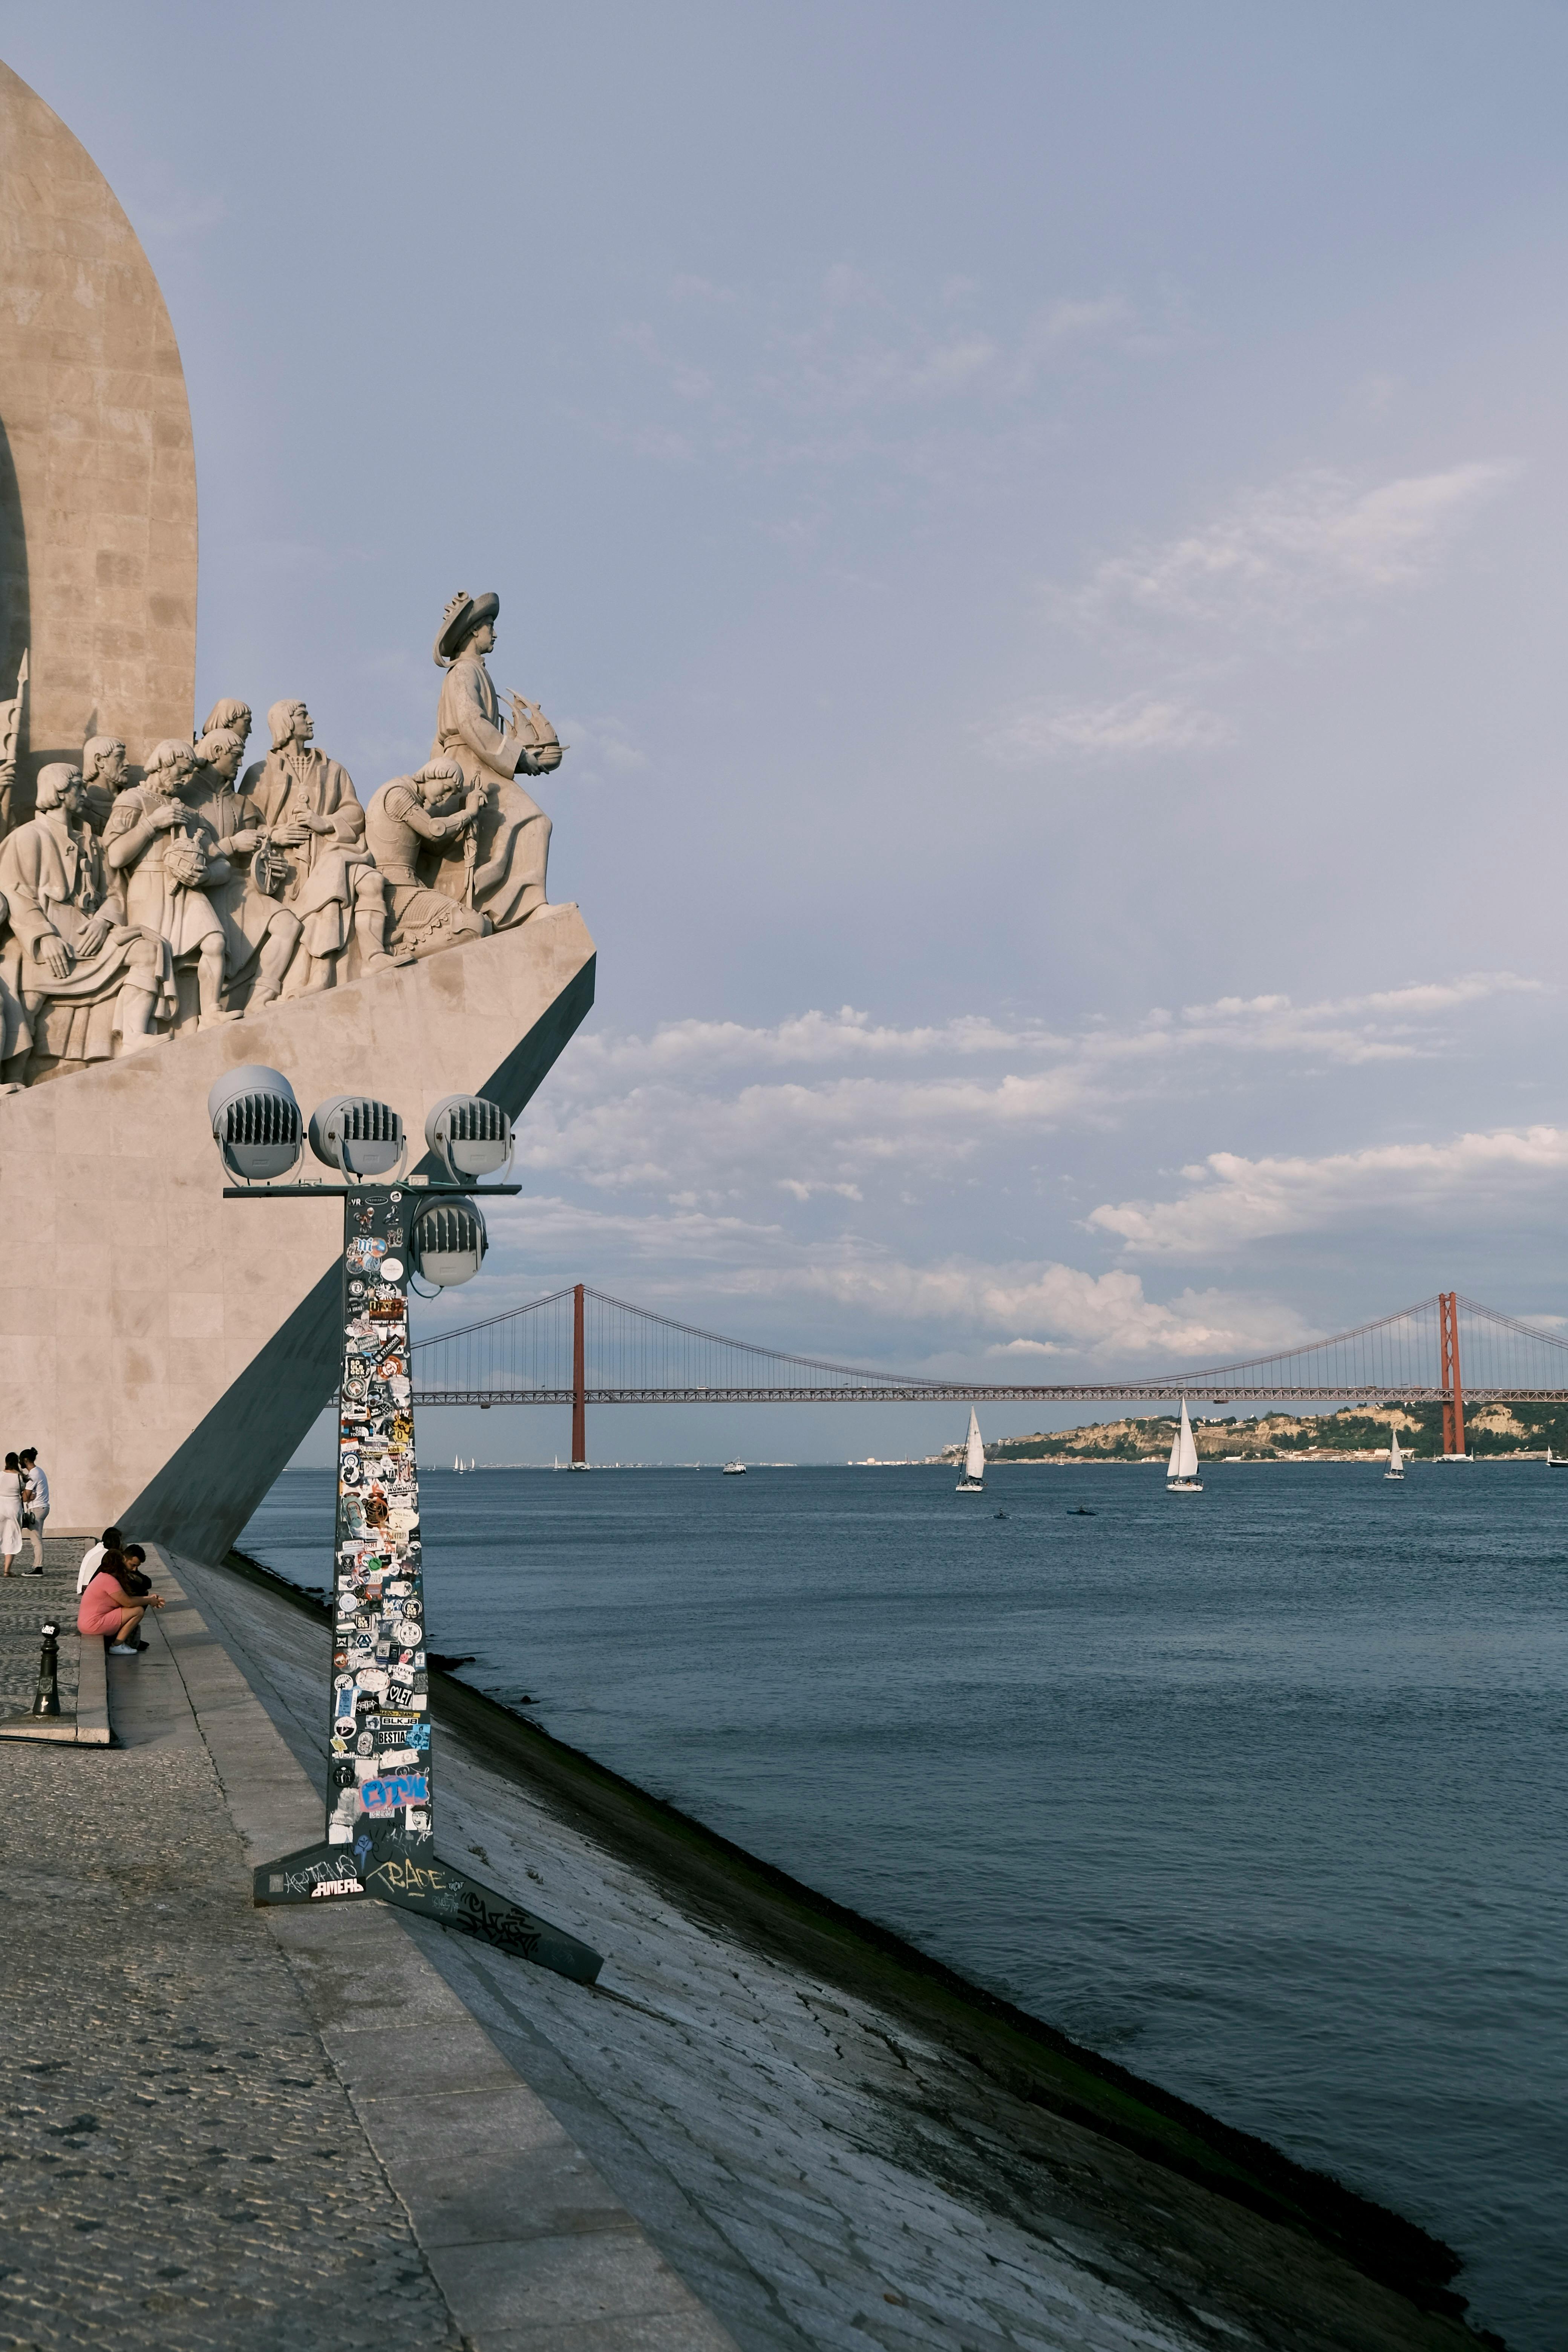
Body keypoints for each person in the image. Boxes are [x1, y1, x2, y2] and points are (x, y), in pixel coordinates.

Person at [428, 591, 564, 927]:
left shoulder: (475, 672)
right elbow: (471, 723)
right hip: (469, 764)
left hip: (478, 760)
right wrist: (519, 759)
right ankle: (530, 909)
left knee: (518, 829)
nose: (495, 634)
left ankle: (505, 904)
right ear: (475, 631)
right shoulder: (463, 672)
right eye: (490, 626)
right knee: (534, 821)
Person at [362, 760, 490, 957]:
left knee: (481, 925)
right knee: (472, 924)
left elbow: (435, 847)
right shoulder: (398, 794)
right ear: (433, 775)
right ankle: (399, 951)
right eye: (447, 788)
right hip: (396, 892)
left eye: (452, 794)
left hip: (410, 888)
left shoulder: (413, 801)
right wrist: (468, 813)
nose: (445, 798)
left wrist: (468, 819)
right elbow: (435, 831)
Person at [77, 1547, 163, 1655]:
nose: (134, 1569)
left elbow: (141, 1587)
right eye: (132, 1565)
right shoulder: (109, 1580)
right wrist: (149, 1601)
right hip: (93, 1624)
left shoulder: (104, 1576)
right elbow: (128, 1602)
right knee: (138, 1611)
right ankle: (117, 1645)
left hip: (88, 1623)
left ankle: (125, 1640)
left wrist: (150, 1599)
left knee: (139, 1600)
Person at [18, 1447, 47, 1571]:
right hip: (42, 1507)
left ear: (25, 1460)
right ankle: (37, 1566)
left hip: (36, 1509)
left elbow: (25, 1498)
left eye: (21, 1460)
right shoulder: (39, 1471)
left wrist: (25, 1495)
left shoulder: (33, 1474)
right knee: (37, 1539)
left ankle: (38, 1567)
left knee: (36, 1540)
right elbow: (28, 1495)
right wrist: (28, 1495)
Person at [77, 1525, 122, 1596]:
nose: (123, 1543)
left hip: (86, 1588)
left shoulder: (101, 1550)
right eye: (121, 1540)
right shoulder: (107, 1555)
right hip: (90, 1590)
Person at [0, 1452, 21, 1577]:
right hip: (14, 1508)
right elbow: (26, 1497)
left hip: (0, 1507)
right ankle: (7, 1570)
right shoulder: (20, 1477)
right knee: (11, 1538)